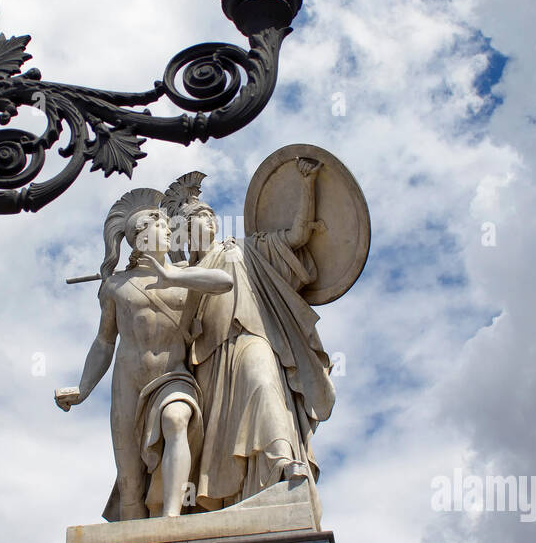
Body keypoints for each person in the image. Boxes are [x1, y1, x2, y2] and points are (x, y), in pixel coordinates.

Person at [162, 164, 336, 511]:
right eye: (199, 218)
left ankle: (282, 464)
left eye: (211, 216)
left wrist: (306, 183)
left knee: (262, 382)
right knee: (213, 433)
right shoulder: (178, 273)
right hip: (206, 362)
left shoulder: (244, 248)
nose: (209, 223)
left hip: (251, 339)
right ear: (182, 231)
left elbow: (297, 236)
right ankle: (227, 499)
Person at [56, 188, 233, 521]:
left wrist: (172, 274)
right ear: (139, 238)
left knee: (176, 420)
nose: (169, 231)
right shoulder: (115, 286)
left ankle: (171, 516)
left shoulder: (185, 277)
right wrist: (83, 389)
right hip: (129, 384)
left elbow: (225, 282)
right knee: (130, 484)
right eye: (160, 226)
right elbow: (104, 342)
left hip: (173, 376)